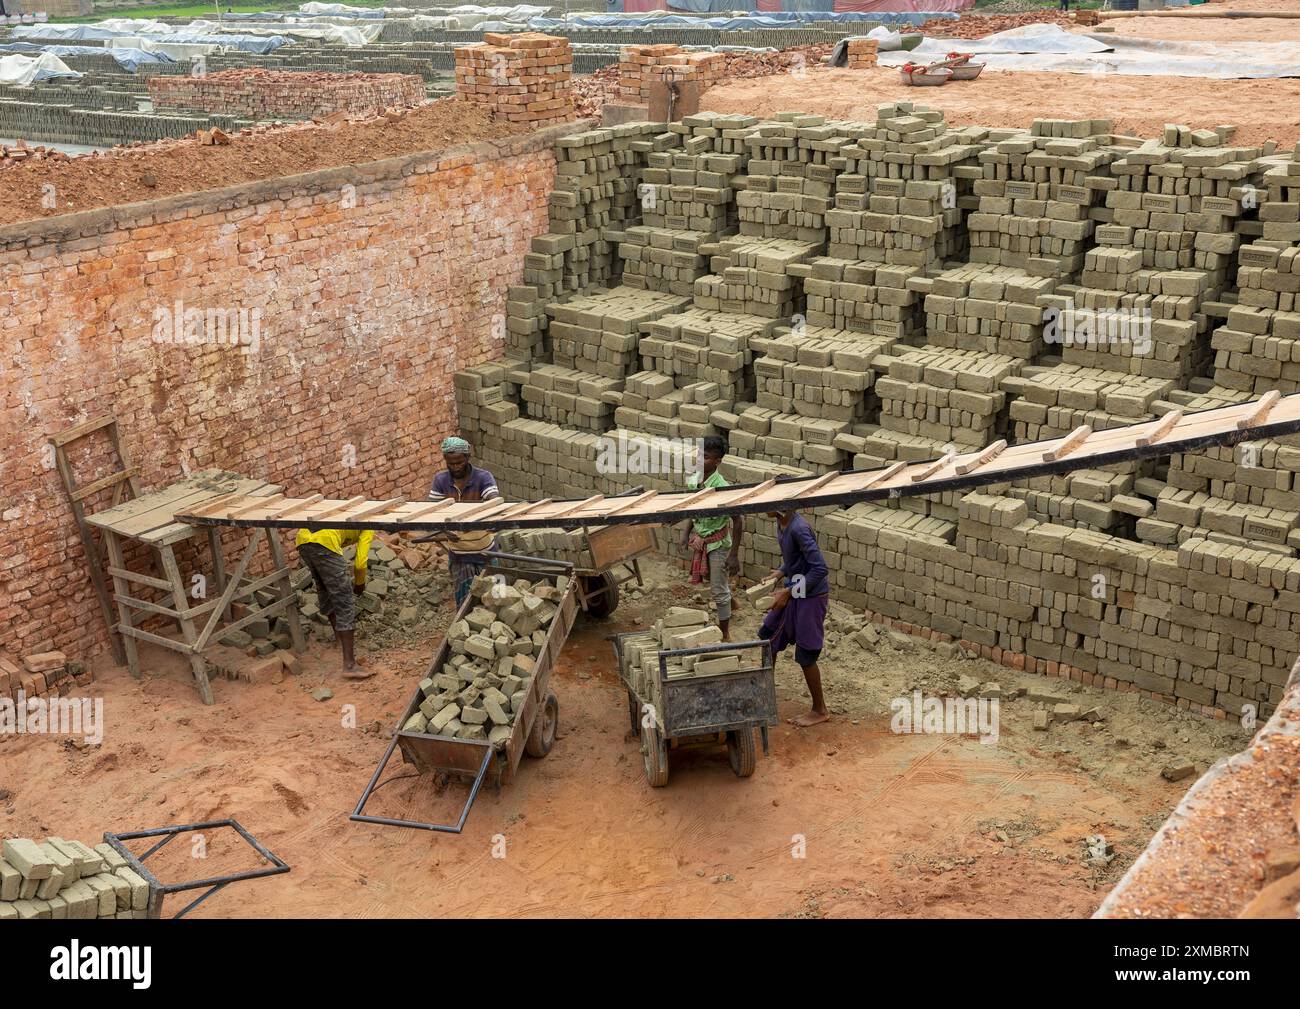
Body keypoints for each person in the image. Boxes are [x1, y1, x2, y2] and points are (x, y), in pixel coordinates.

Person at [758, 510, 830, 727]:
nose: (764, 507)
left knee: (806, 653)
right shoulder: (781, 523)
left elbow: (820, 568)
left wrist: (787, 593)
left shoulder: (798, 528)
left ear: (781, 505)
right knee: (767, 637)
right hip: (796, 590)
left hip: (812, 596)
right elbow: (795, 559)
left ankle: (820, 710)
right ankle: (764, 699)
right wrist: (779, 573)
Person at [680, 435, 742, 641]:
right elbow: (693, 509)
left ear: (717, 462)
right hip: (702, 538)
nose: (699, 460)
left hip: (718, 543)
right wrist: (685, 533)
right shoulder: (693, 480)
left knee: (717, 589)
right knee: (713, 578)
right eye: (698, 454)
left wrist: (734, 555)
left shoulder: (722, 487)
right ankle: (731, 601)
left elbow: (738, 520)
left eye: (705, 457)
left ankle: (725, 633)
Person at [427, 436, 501, 607]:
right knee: (465, 602)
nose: (456, 467)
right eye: (451, 463)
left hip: (486, 551)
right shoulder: (441, 480)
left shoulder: (483, 477)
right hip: (459, 554)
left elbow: (494, 501)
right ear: (445, 460)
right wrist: (445, 532)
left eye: (459, 462)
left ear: (467, 458)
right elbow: (432, 512)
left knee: (496, 597)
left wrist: (486, 509)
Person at [296, 526, 373, 678]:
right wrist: (359, 582)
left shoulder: (351, 514)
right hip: (325, 542)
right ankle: (350, 666)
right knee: (344, 600)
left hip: (303, 539)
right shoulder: (370, 525)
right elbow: (360, 563)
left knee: (324, 588)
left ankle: (339, 639)